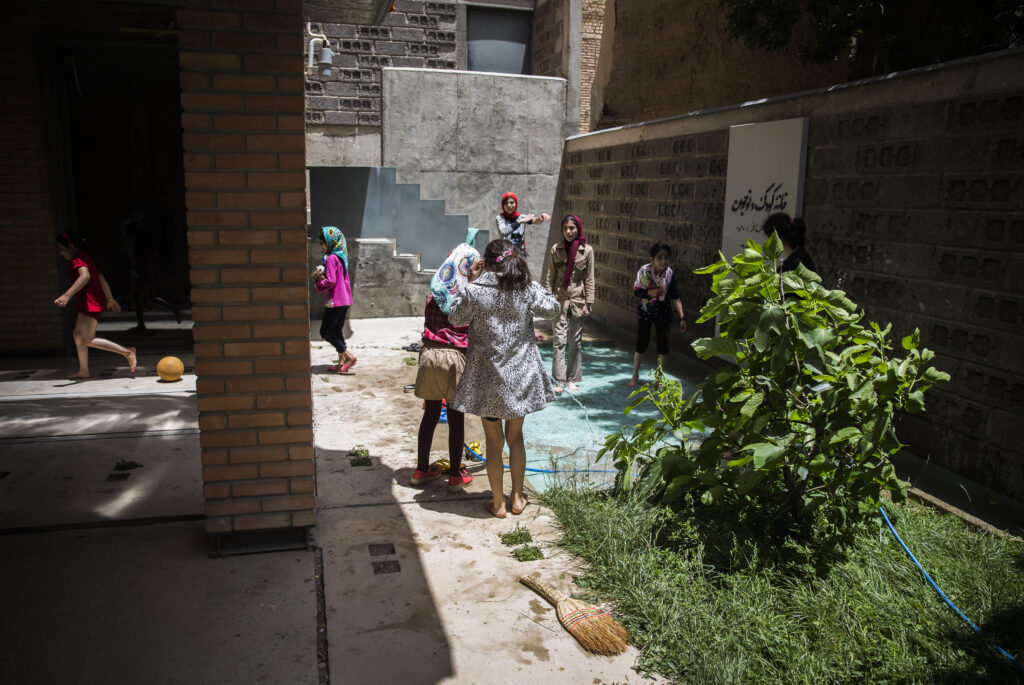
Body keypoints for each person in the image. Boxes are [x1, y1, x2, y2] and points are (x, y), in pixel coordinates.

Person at [449, 239, 560, 518]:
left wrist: (472, 280)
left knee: (493, 441)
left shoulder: (475, 291)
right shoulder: (523, 287)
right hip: (520, 378)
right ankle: (518, 497)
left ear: (485, 262)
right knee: (516, 438)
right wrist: (530, 283)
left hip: (487, 379)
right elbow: (553, 307)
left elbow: (455, 318)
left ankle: (498, 503)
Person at [410, 236, 480, 492]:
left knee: (429, 413)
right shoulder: (466, 296)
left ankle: (421, 469)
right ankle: (455, 475)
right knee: (455, 416)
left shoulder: (435, 292)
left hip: (429, 353)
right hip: (454, 358)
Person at [54, 233, 136, 379]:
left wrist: (66, 295)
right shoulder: (85, 257)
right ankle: (83, 371)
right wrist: (109, 298)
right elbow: (101, 278)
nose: (60, 252)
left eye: (61, 248)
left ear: (71, 247)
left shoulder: (77, 259)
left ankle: (127, 351)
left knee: (86, 338)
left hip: (90, 301)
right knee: (78, 335)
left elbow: (85, 276)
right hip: (89, 301)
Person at [543, 214, 594, 394]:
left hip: (578, 302)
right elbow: (550, 276)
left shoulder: (586, 251)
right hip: (559, 300)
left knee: (575, 341)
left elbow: (589, 278)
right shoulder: (556, 250)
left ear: (578, 229)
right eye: (565, 228)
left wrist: (589, 303)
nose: (569, 231)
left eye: (572, 228)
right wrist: (548, 298)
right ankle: (559, 380)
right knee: (559, 341)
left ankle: (572, 378)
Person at [627, 242, 686, 387]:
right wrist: (649, 292)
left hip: (663, 310)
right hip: (646, 309)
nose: (663, 261)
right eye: (660, 257)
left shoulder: (670, 274)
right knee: (642, 342)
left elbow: (675, 296)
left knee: (663, 344)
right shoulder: (645, 272)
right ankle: (635, 375)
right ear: (652, 259)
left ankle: (659, 378)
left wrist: (682, 317)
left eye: (666, 257)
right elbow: (636, 291)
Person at [121, 205, 181, 335]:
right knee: (150, 297)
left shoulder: (142, 231)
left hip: (146, 267)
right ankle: (174, 309)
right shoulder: (141, 229)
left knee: (139, 297)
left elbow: (146, 251)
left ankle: (142, 325)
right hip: (145, 266)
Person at [313, 226, 356, 373]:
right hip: (344, 300)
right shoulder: (341, 257)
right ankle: (341, 363)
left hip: (336, 301)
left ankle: (349, 356)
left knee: (325, 332)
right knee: (337, 331)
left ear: (330, 243)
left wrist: (318, 284)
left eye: (322, 243)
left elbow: (331, 281)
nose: (321, 245)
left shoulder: (331, 258)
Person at [495, 191, 550, 257]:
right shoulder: (500, 218)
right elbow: (503, 232)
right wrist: (520, 221)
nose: (509, 205)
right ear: (503, 205)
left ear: (516, 203)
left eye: (512, 202)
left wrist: (541, 217)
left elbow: (535, 221)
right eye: (506, 203)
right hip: (506, 255)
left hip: (520, 255)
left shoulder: (521, 217)